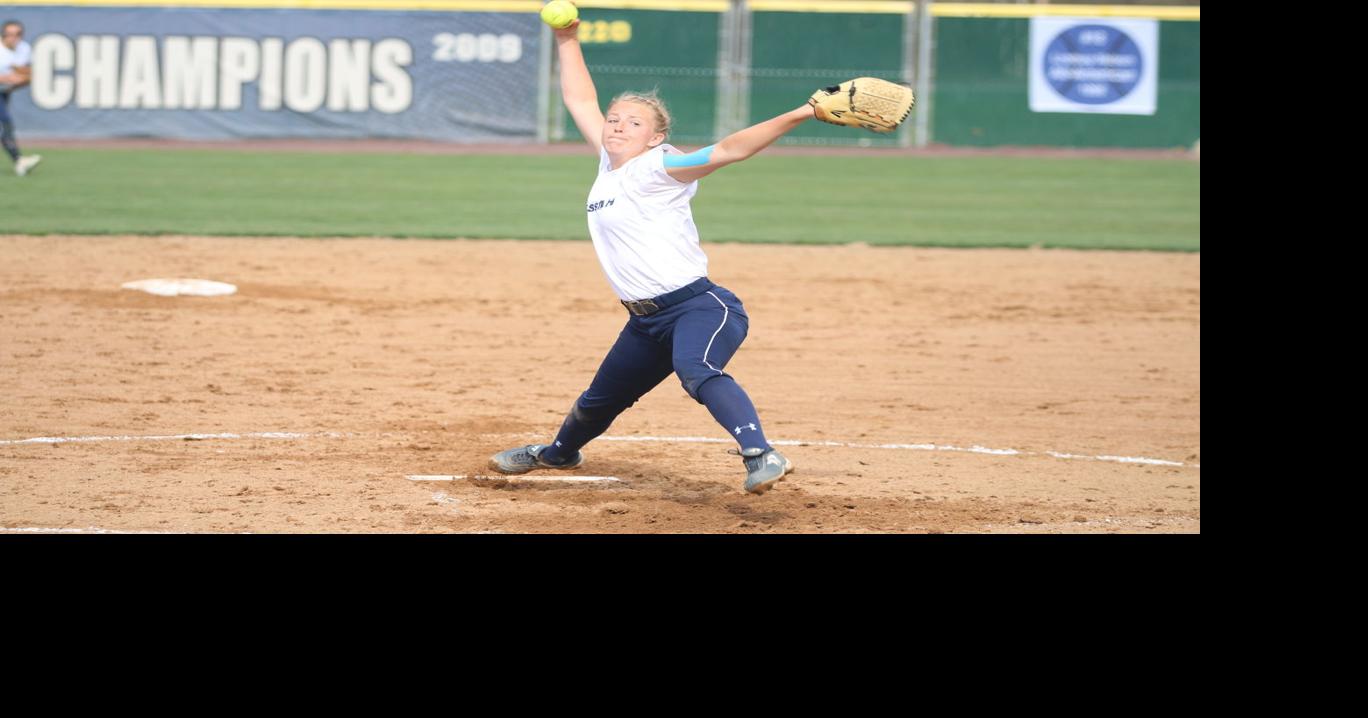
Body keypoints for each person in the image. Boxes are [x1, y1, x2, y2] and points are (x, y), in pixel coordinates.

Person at [487, 15, 821, 495]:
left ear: (656, 137)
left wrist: (803, 112)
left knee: (697, 371)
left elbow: (728, 149)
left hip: (699, 308)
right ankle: (559, 454)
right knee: (599, 400)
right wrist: (566, 38)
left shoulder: (660, 168)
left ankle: (761, 454)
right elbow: (579, 98)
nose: (618, 126)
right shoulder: (610, 166)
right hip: (644, 322)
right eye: (614, 119)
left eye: (634, 122)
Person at [1, 19, 41, 177]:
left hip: (4, 92)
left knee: (5, 125)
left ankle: (19, 160)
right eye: (9, 34)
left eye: (17, 34)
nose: (13, 37)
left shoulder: (24, 49)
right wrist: (5, 78)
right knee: (5, 123)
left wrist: (18, 80)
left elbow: (27, 75)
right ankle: (19, 160)